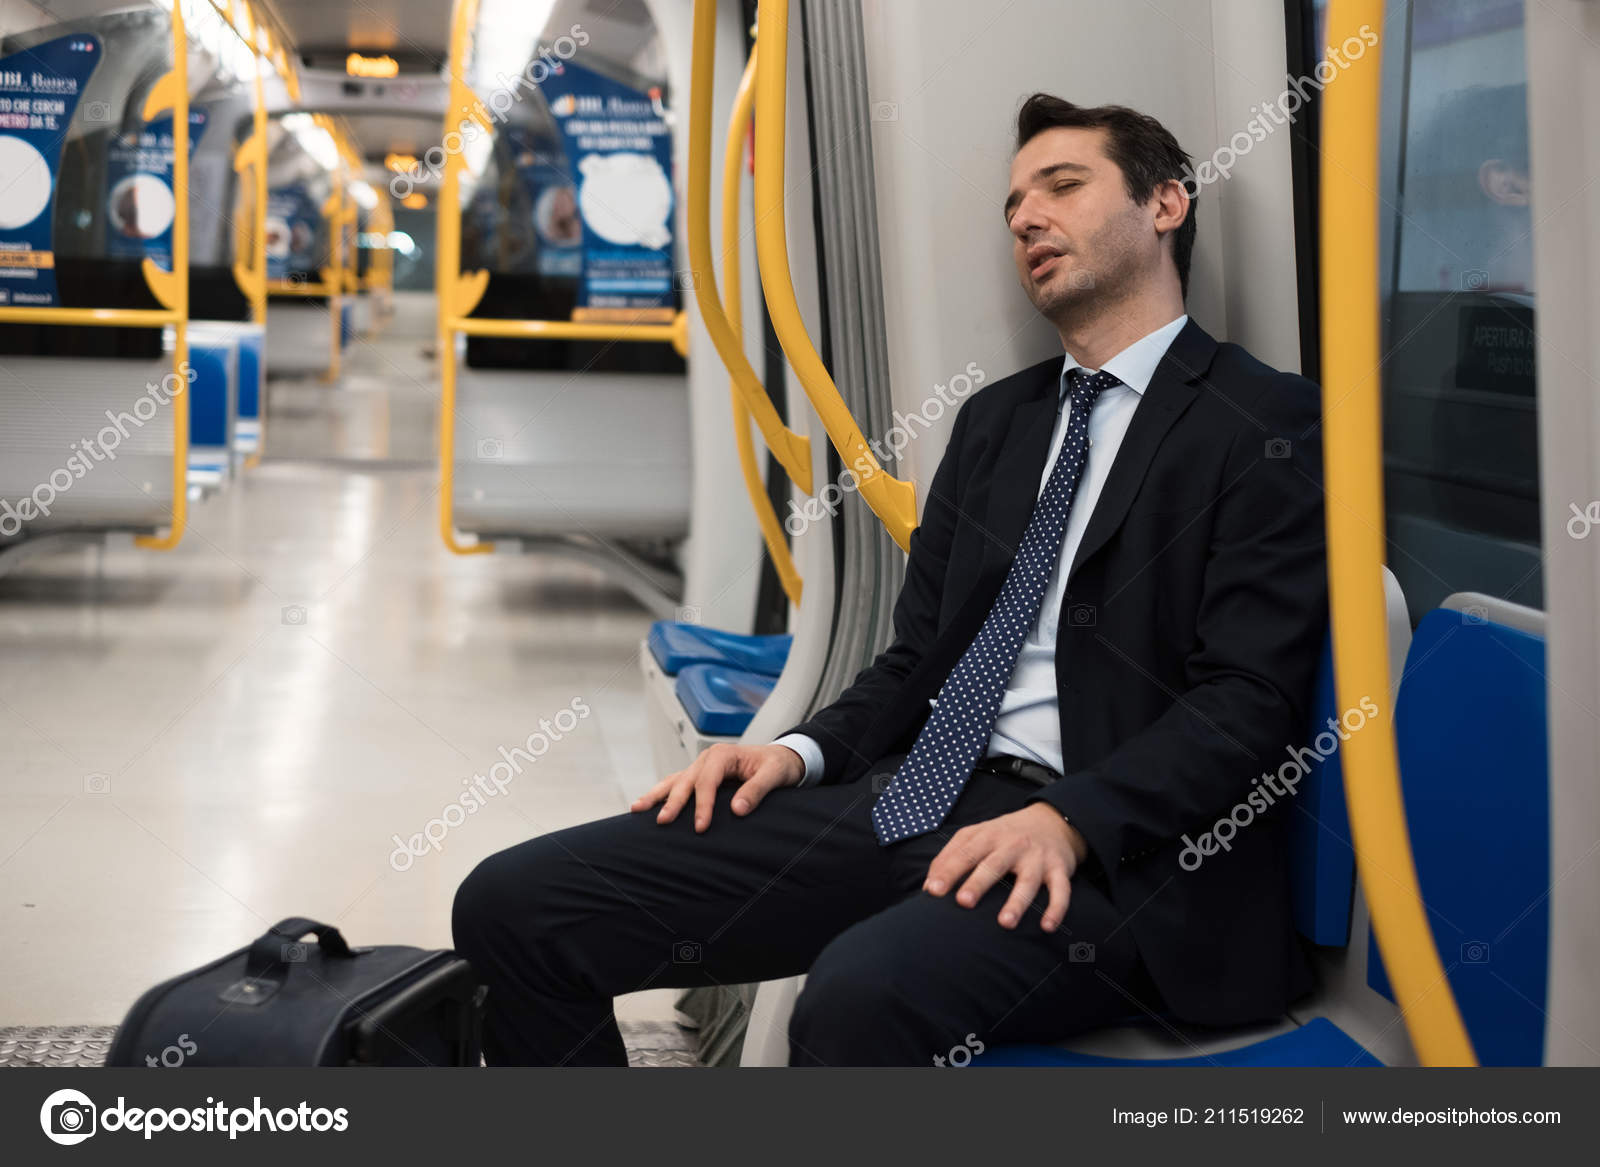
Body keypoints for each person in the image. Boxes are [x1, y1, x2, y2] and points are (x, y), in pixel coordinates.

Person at [452, 93, 1327, 1066]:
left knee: (857, 1001)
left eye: (1062, 187)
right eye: (1012, 207)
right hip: (914, 797)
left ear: (1165, 205)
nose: (1027, 218)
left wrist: (1071, 818)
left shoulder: (1264, 421)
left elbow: (1245, 706)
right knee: (513, 907)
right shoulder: (999, 422)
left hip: (1115, 857)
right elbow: (914, 659)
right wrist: (796, 753)